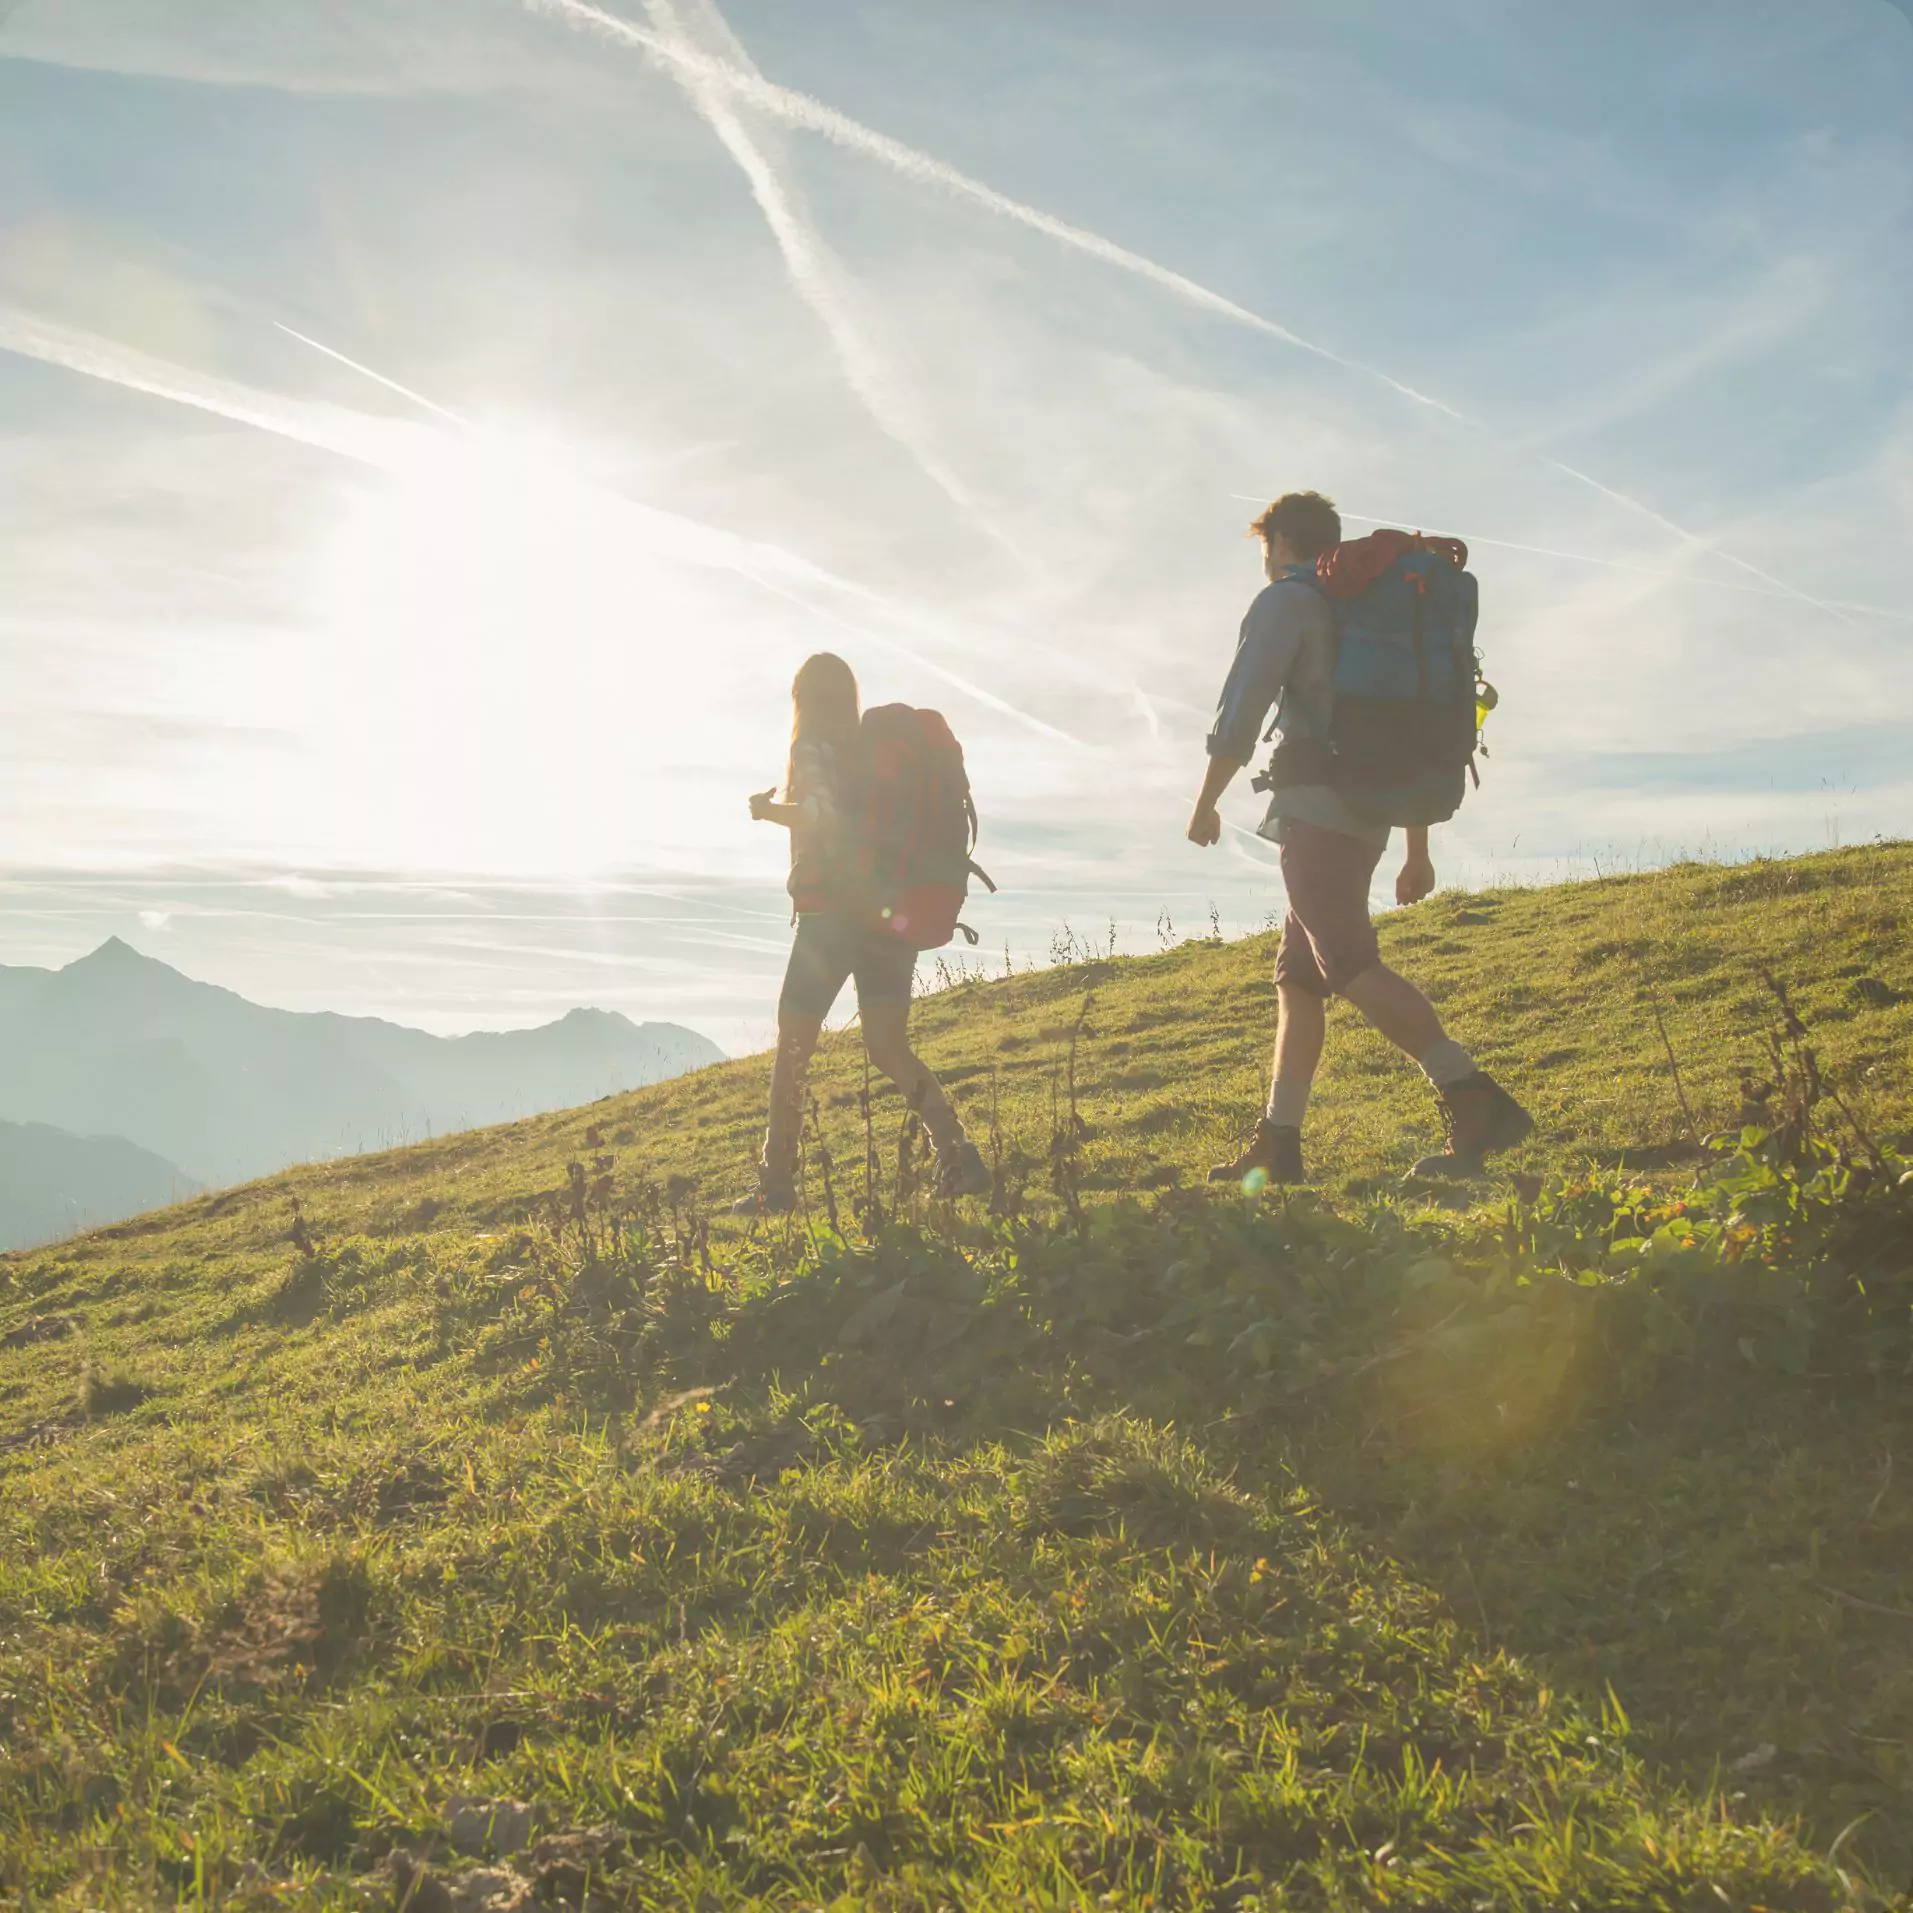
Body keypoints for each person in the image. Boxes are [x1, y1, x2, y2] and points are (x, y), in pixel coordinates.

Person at [1187, 491, 1532, 1183]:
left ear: (1279, 542)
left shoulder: (1288, 601)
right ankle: (1279, 1140)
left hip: (1318, 806)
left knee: (1344, 960)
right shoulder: (1360, 605)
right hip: (1367, 807)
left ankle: (1471, 1096)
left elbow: (1242, 708)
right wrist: (1415, 849)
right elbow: (1398, 725)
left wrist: (1205, 802)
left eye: (1265, 550)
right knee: (1299, 977)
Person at [737, 652, 992, 1213]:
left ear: (802, 699)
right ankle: (956, 1154)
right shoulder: (873, 752)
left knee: (795, 1050)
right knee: (888, 1046)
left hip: (832, 919)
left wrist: (769, 812)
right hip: (889, 916)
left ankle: (775, 1185)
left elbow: (822, 815)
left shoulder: (814, 748)